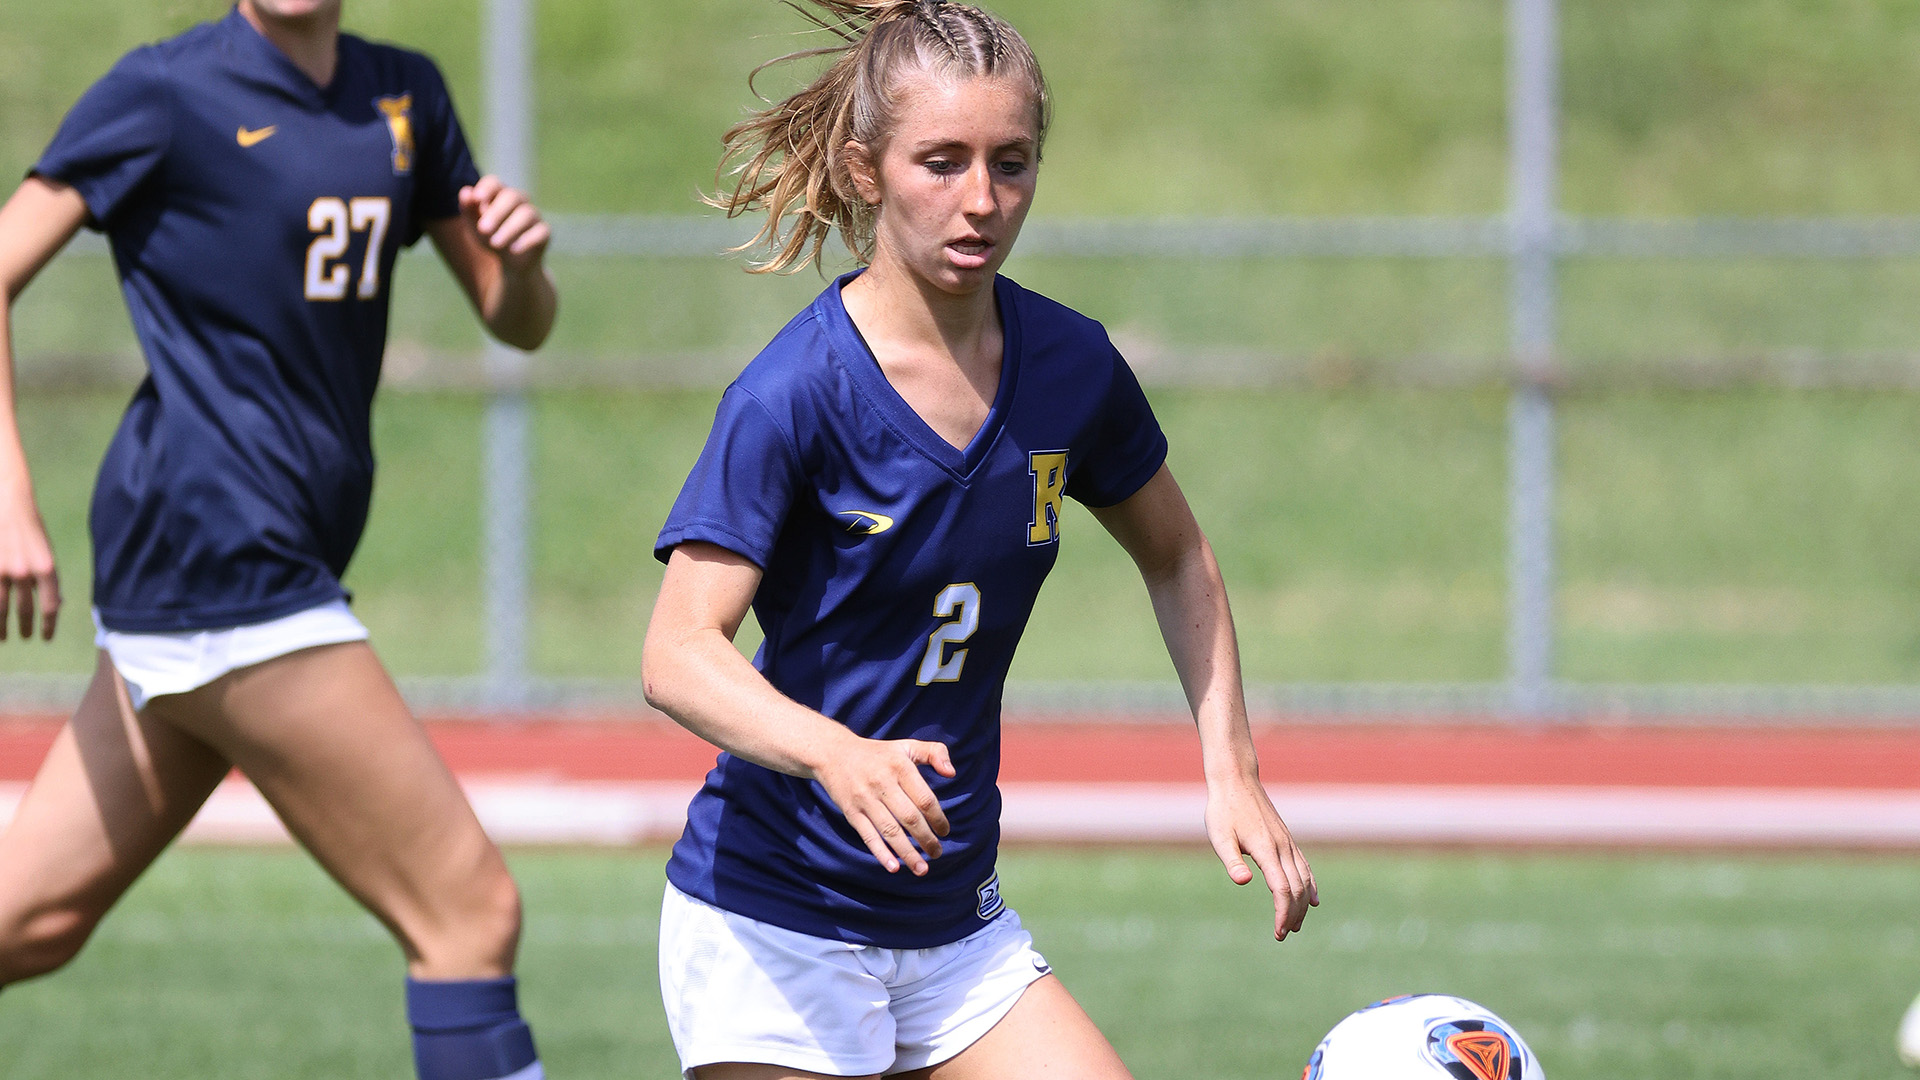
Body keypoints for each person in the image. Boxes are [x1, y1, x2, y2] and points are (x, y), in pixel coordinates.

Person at [640, 2, 1317, 1077]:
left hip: (955, 929)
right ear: (865, 171)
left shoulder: (1072, 368)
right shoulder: (795, 394)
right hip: (774, 925)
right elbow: (676, 654)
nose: (982, 201)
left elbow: (1178, 556)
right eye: (941, 162)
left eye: (1011, 163)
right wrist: (836, 754)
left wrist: (1230, 768)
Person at [0, 3, 556, 1079]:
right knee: (468, 914)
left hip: (222, 572)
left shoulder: (405, 92)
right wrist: (7, 493)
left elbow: (515, 319)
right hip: (224, 553)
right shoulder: (165, 90)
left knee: (29, 926)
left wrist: (523, 265)